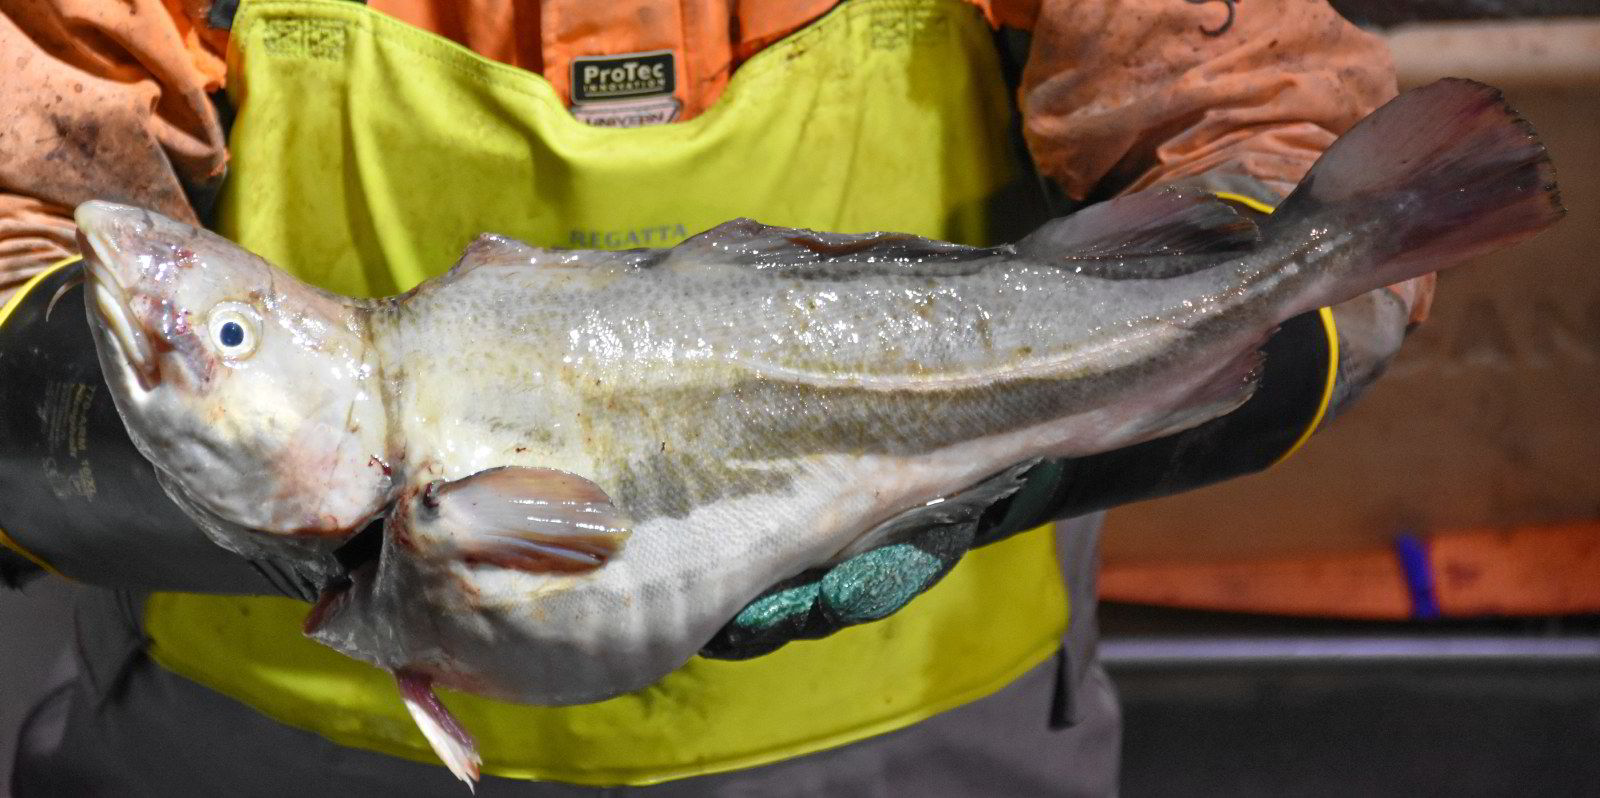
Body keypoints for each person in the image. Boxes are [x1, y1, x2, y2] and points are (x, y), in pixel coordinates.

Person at [0, 0, 1431, 794]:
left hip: (926, 763)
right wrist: (224, 492)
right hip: (260, 764)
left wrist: (1021, 462)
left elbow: (1288, 131)